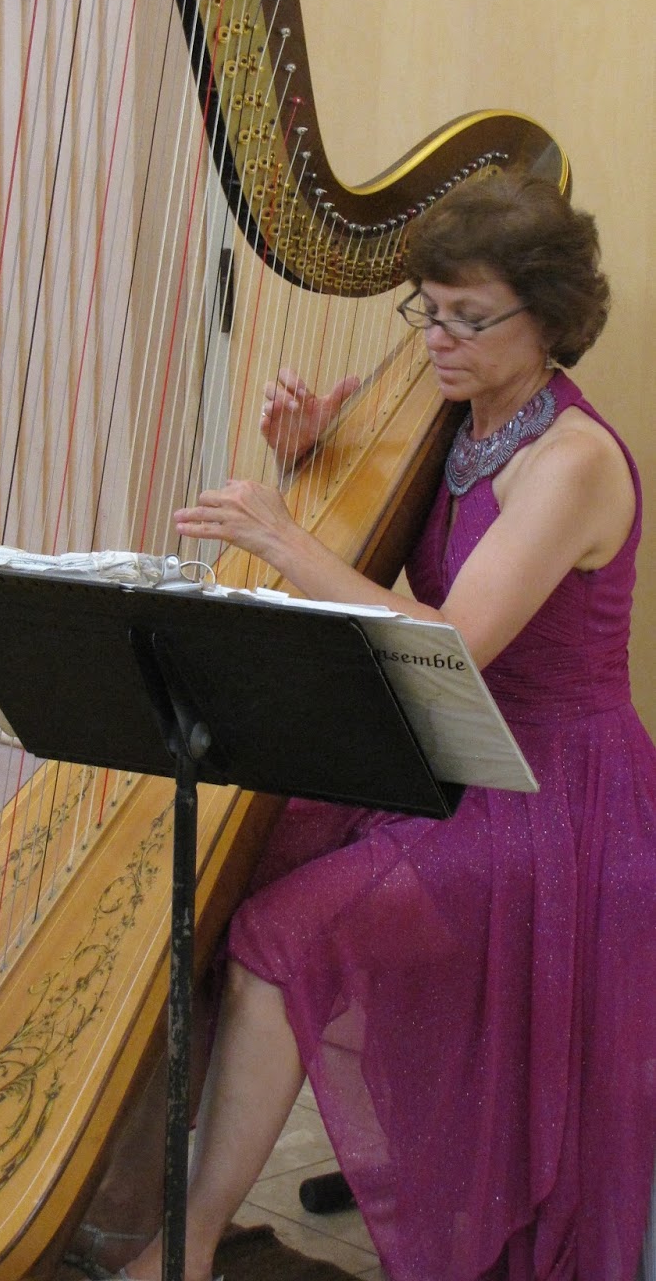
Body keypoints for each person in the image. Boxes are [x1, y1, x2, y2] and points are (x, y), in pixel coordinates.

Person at [83, 173, 656, 1281]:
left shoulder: (571, 461)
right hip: (447, 760)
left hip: (550, 799)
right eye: (425, 311)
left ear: (548, 317)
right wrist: (316, 458)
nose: (437, 339)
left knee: (278, 937)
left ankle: (185, 1244)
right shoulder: (459, 422)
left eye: (467, 318)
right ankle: (138, 1197)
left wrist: (281, 533)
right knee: (245, 861)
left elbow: (447, 645)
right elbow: (372, 569)